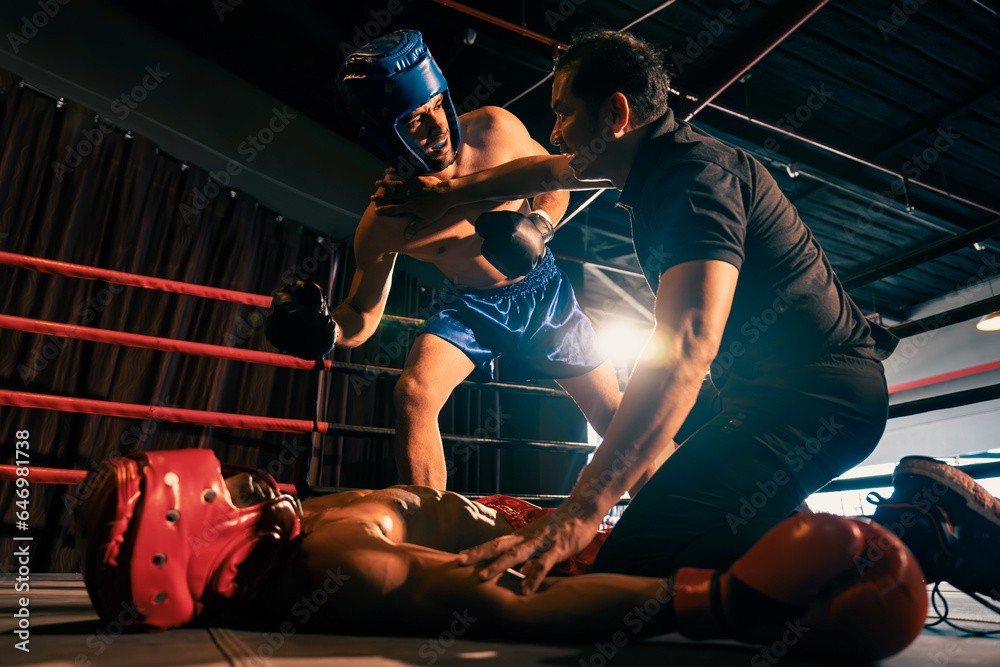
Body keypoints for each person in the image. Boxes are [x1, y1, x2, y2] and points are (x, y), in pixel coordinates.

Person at [370, 29, 999, 613]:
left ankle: (923, 534)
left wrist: (582, 508)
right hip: (768, 404)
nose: (555, 131)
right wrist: (445, 193)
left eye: (563, 112)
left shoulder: (694, 183)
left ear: (615, 116)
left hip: (814, 403)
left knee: (633, 575)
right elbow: (545, 171)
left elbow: (689, 346)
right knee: (711, 546)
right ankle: (858, 544)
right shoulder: (655, 158)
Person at [73, 448, 929, 661]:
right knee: (773, 459)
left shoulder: (296, 519)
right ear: (195, 546)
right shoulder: (335, 561)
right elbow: (505, 601)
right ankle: (939, 535)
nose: (232, 479)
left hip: (550, 516)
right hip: (608, 557)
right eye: (216, 495)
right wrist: (723, 602)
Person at [264, 30, 638, 492]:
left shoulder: (495, 131)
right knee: (414, 394)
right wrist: (327, 330)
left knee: (613, 416)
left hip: (542, 291)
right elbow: (362, 313)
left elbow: (557, 177)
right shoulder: (387, 221)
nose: (438, 125)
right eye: (415, 120)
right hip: (471, 309)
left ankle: (687, 518)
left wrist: (539, 225)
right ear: (384, 134)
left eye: (439, 105)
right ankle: (432, 524)